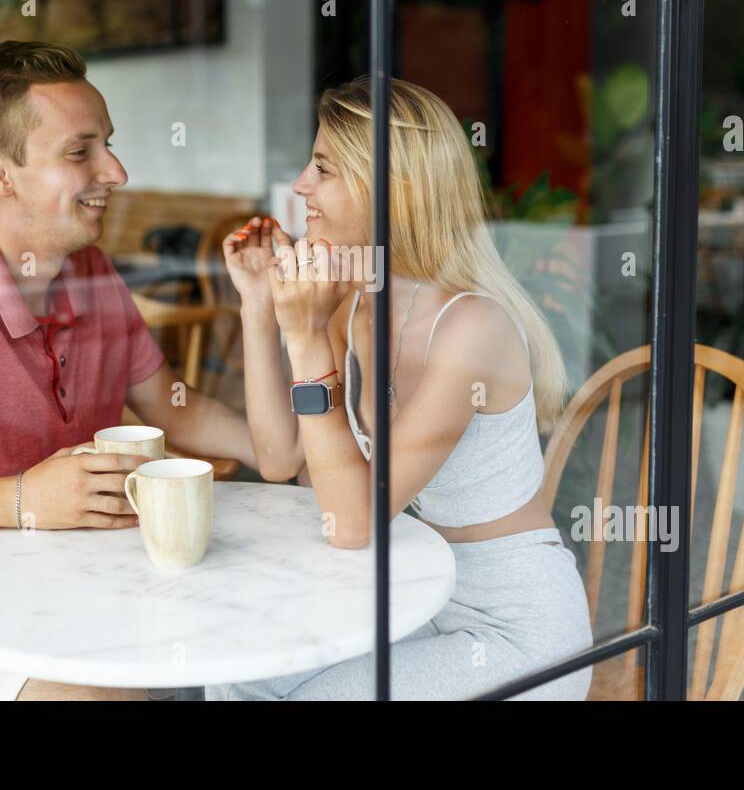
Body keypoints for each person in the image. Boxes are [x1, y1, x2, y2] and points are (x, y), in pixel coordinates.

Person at [209, 76, 592, 700]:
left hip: (519, 633)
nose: (301, 185)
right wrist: (259, 308)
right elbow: (282, 460)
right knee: (237, 673)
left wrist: (306, 348)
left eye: (324, 168)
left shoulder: (473, 327)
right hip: (422, 595)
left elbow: (352, 521)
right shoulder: (351, 302)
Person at [0, 41, 257, 699]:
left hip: (89, 591)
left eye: (107, 145)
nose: (116, 171)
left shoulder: (92, 275)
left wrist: (303, 454)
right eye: (80, 151)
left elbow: (179, 410)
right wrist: (26, 499)